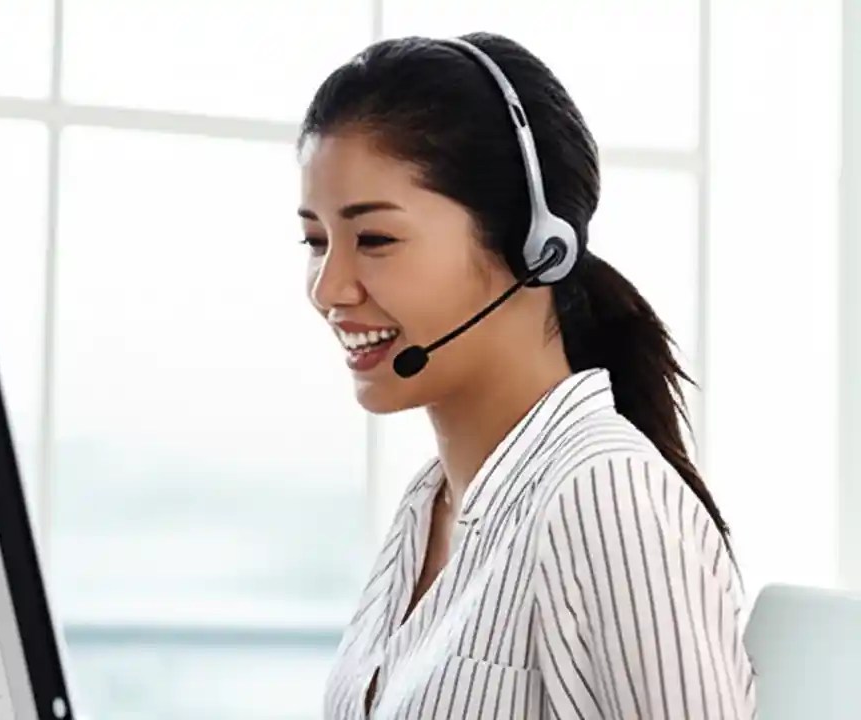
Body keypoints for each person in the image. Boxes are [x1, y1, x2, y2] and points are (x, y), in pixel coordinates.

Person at [298, 33, 757, 719]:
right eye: (315, 241)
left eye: (375, 240)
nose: (328, 288)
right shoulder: (430, 506)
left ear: (536, 249)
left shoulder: (604, 495)